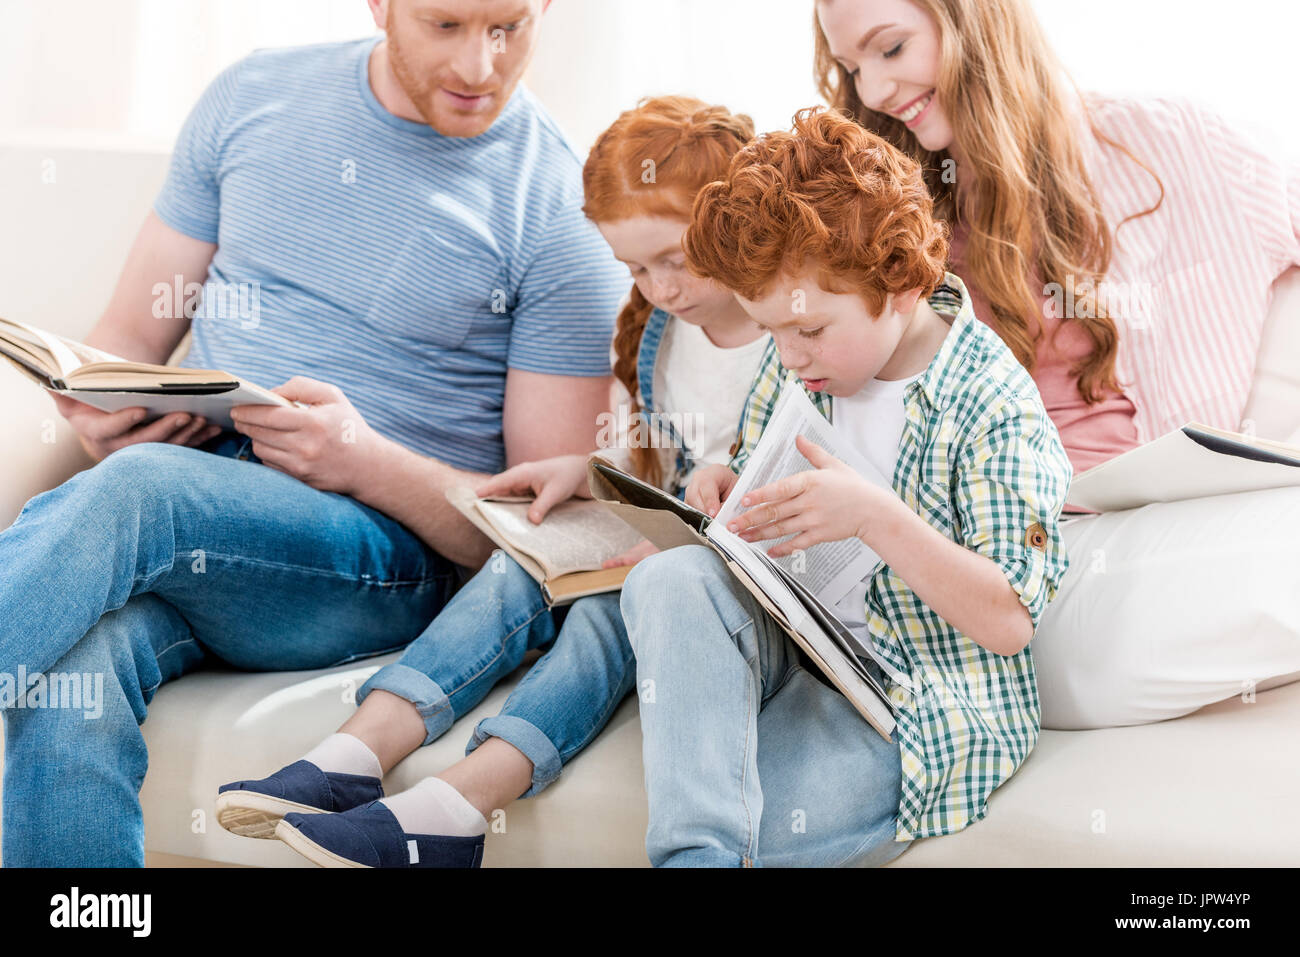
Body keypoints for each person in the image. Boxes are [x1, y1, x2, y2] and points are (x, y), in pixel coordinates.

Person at [0, 0, 629, 867]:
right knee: (83, 662)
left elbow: (544, 546)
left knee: (142, 490)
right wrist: (104, 409)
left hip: (381, 556)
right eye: (446, 25)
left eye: (509, 27)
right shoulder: (252, 96)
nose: (481, 66)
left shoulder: (563, 207)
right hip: (202, 507)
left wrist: (362, 462)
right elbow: (125, 344)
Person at [214, 96, 770, 868]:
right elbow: (665, 456)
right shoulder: (667, 331)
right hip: (663, 543)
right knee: (521, 565)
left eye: (674, 259)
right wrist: (588, 472)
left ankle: (454, 807)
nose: (659, 287)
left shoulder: (789, 336)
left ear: (735, 222)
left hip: (724, 586)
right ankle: (352, 755)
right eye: (636, 269)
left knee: (606, 615)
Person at [814, 0, 1300, 729]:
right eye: (853, 69)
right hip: (1019, 562)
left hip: (1160, 511)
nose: (875, 91)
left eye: (891, 49)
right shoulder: (899, 210)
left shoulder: (1164, 142)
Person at [619, 107, 1073, 867]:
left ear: (898, 285)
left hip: (918, 702)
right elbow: (752, 519)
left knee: (753, 825)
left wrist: (872, 518)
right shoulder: (801, 365)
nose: (790, 355)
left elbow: (1007, 623)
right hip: (806, 656)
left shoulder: (994, 402)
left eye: (811, 331)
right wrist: (722, 485)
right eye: (773, 332)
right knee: (671, 577)